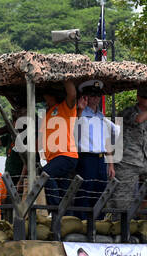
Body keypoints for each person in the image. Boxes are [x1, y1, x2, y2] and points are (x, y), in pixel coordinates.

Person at [73, 80, 118, 216]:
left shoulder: (100, 115)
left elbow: (106, 141)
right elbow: (73, 126)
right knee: (85, 192)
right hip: (86, 157)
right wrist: (80, 108)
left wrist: (111, 164)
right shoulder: (79, 111)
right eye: (92, 95)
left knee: (99, 192)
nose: (96, 98)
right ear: (85, 96)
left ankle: (97, 225)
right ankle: (81, 224)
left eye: (98, 95)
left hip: (99, 159)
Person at [40, 80, 79, 209]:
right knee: (63, 188)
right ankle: (65, 216)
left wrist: (65, 77)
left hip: (66, 155)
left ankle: (56, 209)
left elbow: (72, 94)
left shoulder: (65, 107)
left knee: (45, 174)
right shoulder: (47, 113)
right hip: (55, 158)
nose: (45, 99)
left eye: (47, 96)